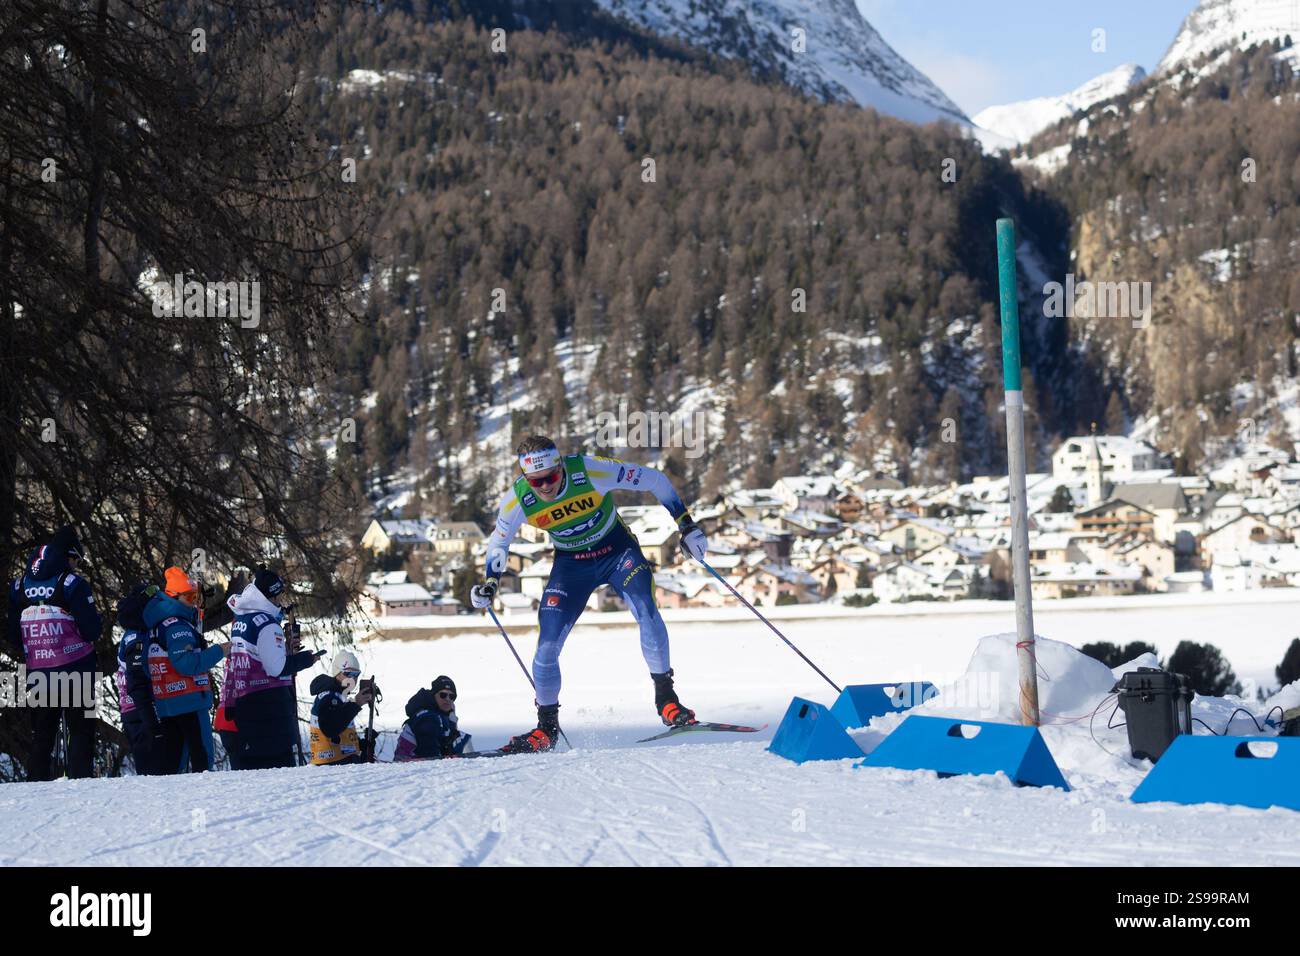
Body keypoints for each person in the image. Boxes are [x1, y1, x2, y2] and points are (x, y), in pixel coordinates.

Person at [471, 436, 709, 753]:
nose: (544, 487)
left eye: (551, 478)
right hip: (571, 567)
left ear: (560, 468)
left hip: (617, 552)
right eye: (535, 481)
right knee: (546, 648)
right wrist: (490, 581)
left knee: (647, 612)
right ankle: (547, 728)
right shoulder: (518, 500)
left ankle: (666, 699)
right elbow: (498, 543)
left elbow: (656, 480)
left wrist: (686, 525)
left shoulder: (590, 470)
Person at [6, 526, 102, 780]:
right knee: (81, 732)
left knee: (42, 737)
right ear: (69, 556)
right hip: (77, 669)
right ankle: (82, 785)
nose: (77, 566)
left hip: (38, 671)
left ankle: (36, 789)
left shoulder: (19, 586)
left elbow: (14, 635)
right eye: (77, 560)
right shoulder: (73, 583)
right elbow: (92, 630)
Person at [225, 568, 323, 769]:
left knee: (253, 769)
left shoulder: (242, 617)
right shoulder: (267, 624)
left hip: (245, 700)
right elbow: (276, 668)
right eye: (279, 595)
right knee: (278, 772)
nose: (280, 600)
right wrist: (304, 659)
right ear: (270, 596)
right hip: (269, 707)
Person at [141, 567, 228, 773]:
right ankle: (204, 799)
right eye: (189, 596)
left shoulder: (156, 624)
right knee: (202, 755)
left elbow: (147, 665)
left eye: (196, 596)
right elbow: (186, 664)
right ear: (173, 596)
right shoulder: (178, 626)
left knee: (174, 757)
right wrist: (219, 651)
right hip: (189, 699)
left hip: (167, 703)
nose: (194, 601)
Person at [115, 583, 163, 775]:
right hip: (141, 714)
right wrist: (153, 725)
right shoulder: (136, 638)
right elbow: (137, 684)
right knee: (154, 776)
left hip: (138, 711)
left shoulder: (140, 632)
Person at [307, 651, 375, 766]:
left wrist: (361, 744)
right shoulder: (328, 696)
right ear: (337, 673)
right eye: (348, 674)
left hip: (340, 763)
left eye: (356, 675)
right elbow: (330, 728)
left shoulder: (340, 696)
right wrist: (356, 704)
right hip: (330, 767)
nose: (352, 679)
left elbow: (340, 731)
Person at [393, 676, 472, 760]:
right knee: (461, 739)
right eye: (443, 695)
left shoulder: (443, 716)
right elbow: (429, 756)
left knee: (462, 737)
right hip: (408, 765)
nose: (447, 699)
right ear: (434, 695)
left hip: (420, 764)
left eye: (451, 696)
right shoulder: (427, 718)